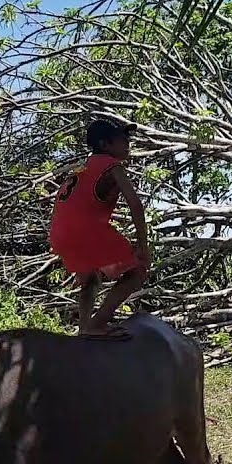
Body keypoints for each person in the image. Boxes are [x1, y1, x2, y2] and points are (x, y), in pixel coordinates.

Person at [48, 118, 151, 339]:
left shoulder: (79, 169)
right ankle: (98, 323)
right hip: (85, 230)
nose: (127, 142)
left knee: (91, 279)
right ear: (105, 145)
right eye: (121, 139)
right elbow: (135, 204)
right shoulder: (112, 166)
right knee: (137, 271)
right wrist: (143, 246)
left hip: (59, 233)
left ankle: (85, 327)